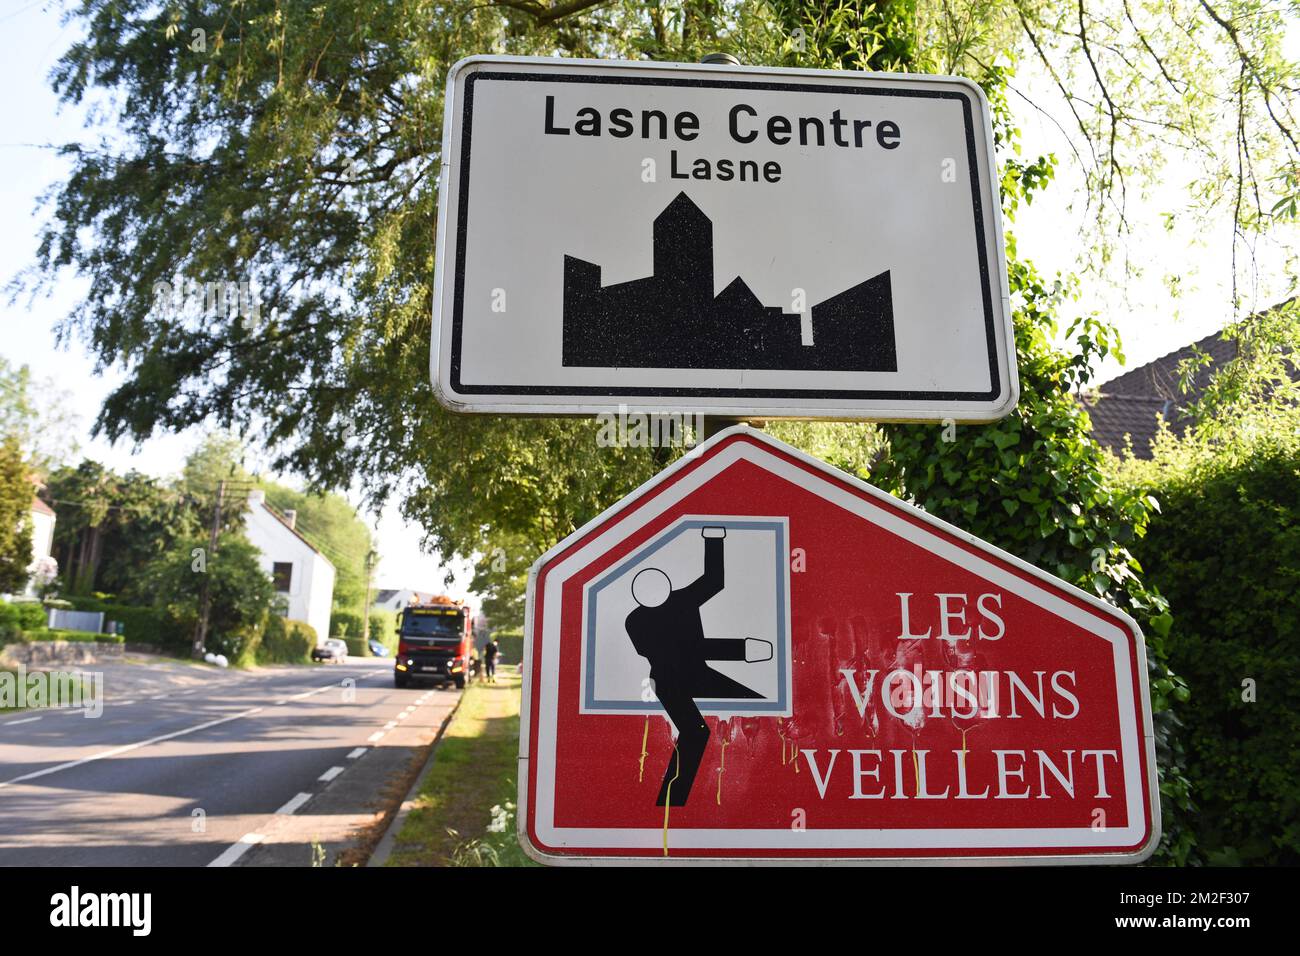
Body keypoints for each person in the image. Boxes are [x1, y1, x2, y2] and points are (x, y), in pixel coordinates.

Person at [624, 526, 770, 807]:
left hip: (698, 673)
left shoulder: (679, 600)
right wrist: (744, 649)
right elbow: (683, 650)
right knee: (695, 732)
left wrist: (713, 539)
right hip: (667, 681)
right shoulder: (636, 622)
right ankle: (671, 804)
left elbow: (713, 581)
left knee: (754, 703)